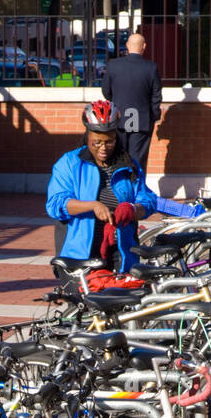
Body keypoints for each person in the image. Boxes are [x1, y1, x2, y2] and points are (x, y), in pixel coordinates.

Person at [46, 99, 157, 283]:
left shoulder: (129, 165)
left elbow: (148, 200)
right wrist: (92, 206)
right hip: (80, 259)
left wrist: (133, 209)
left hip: (121, 257)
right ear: (87, 135)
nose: (103, 148)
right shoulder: (70, 163)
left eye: (109, 142)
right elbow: (55, 204)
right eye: (96, 142)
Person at [101, 32, 161, 174]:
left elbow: (105, 92)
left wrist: (116, 103)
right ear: (144, 47)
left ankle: (118, 190)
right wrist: (154, 115)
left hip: (119, 118)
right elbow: (156, 96)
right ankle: (136, 190)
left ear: (127, 45)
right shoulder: (151, 67)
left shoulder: (114, 65)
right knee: (138, 159)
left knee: (117, 156)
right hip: (142, 120)